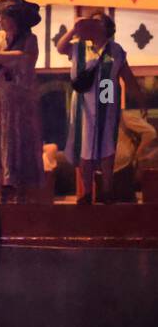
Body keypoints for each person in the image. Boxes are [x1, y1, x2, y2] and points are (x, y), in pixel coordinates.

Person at [55, 11, 145, 204]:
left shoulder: (116, 50)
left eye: (97, 22)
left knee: (106, 144)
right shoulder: (79, 47)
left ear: (106, 27)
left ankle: (107, 190)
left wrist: (140, 100)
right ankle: (87, 192)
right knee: (85, 147)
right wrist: (74, 28)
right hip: (83, 99)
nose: (92, 25)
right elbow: (60, 48)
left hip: (107, 92)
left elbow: (127, 77)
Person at [0, 1, 43, 204]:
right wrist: (9, 57)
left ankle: (20, 187)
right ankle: (1, 186)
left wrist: (3, 56)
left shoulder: (30, 39)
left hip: (20, 98)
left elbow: (26, 60)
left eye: (4, 17)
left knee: (18, 138)